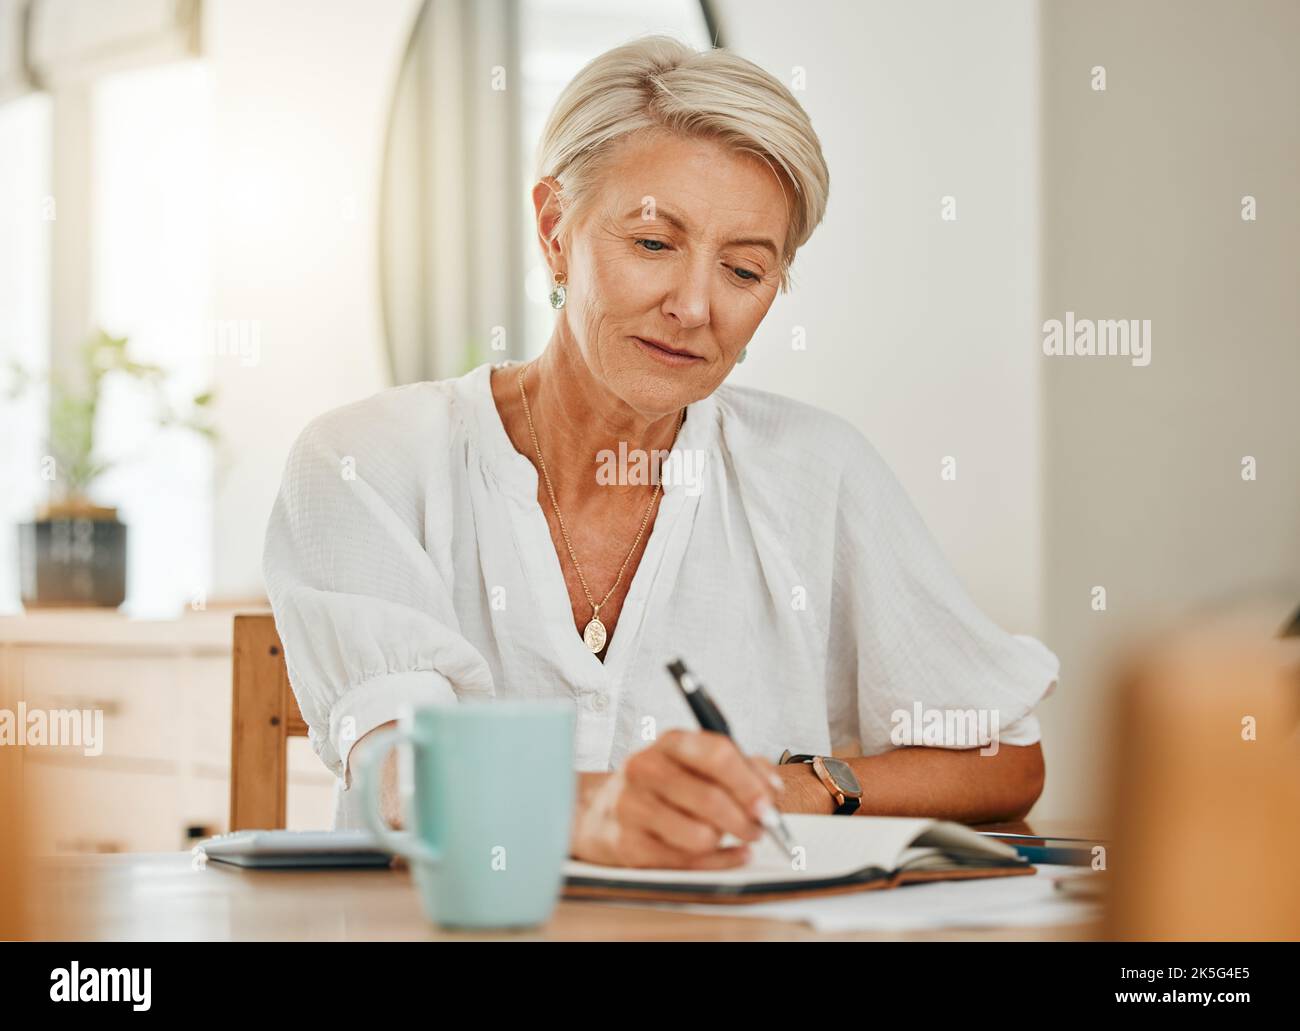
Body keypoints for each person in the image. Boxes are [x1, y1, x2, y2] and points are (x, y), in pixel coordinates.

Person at [262, 35, 1058, 870]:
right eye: (652, 244)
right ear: (554, 228)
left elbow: (1002, 753)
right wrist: (600, 811)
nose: (694, 306)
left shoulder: (819, 470)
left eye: (745, 271)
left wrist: (803, 786)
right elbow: (399, 777)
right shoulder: (363, 462)